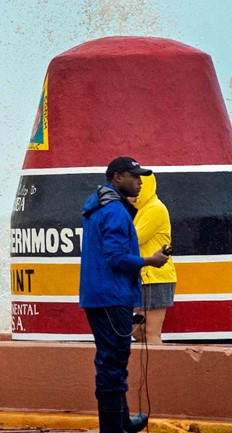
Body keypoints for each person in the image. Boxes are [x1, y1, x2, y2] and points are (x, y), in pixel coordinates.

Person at [80, 157, 170, 433]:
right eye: (134, 175)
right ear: (117, 177)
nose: (140, 181)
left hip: (99, 296)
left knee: (112, 359)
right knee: (113, 362)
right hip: (112, 297)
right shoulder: (116, 211)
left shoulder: (98, 206)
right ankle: (113, 427)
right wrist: (149, 261)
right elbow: (117, 258)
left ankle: (121, 421)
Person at [131, 173, 176, 344]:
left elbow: (134, 238)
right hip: (142, 276)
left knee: (151, 332)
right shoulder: (141, 210)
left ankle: (157, 370)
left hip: (155, 277)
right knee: (138, 330)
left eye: (138, 183)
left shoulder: (155, 208)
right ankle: (148, 370)